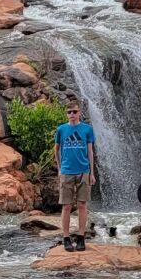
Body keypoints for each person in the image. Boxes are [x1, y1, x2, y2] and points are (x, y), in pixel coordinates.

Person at [52, 104, 98, 251]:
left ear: (79, 113)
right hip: (67, 171)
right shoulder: (61, 129)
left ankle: (81, 237)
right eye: (69, 112)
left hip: (84, 171)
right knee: (66, 206)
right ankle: (66, 238)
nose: (72, 114)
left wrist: (92, 172)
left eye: (74, 111)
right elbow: (56, 149)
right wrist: (60, 169)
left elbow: (90, 152)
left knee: (82, 205)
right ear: (67, 114)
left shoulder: (87, 129)